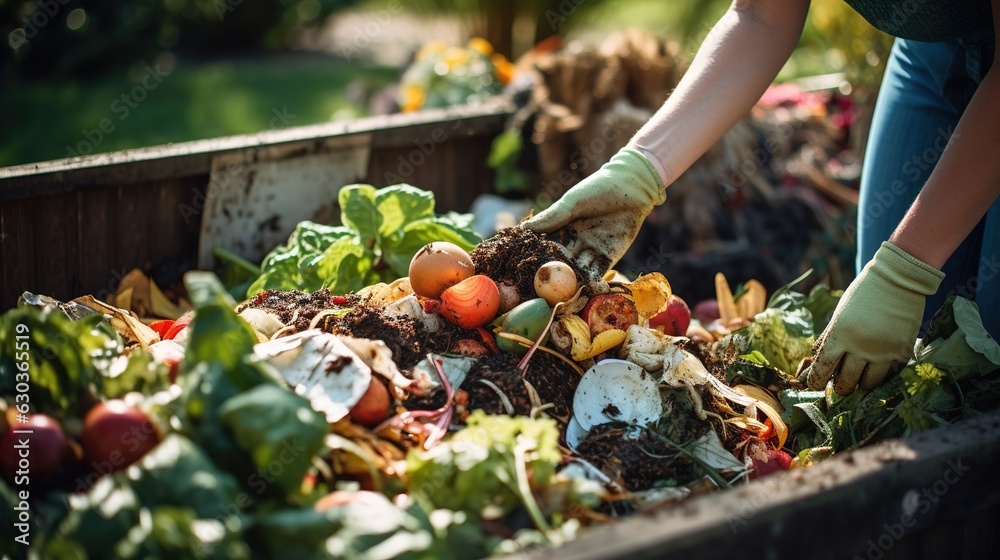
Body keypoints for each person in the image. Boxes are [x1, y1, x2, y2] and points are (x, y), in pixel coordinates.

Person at [521, 0, 999, 396]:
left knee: (990, 342)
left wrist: (905, 271)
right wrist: (639, 170)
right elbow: (761, 15)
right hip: (929, 54)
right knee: (896, 369)